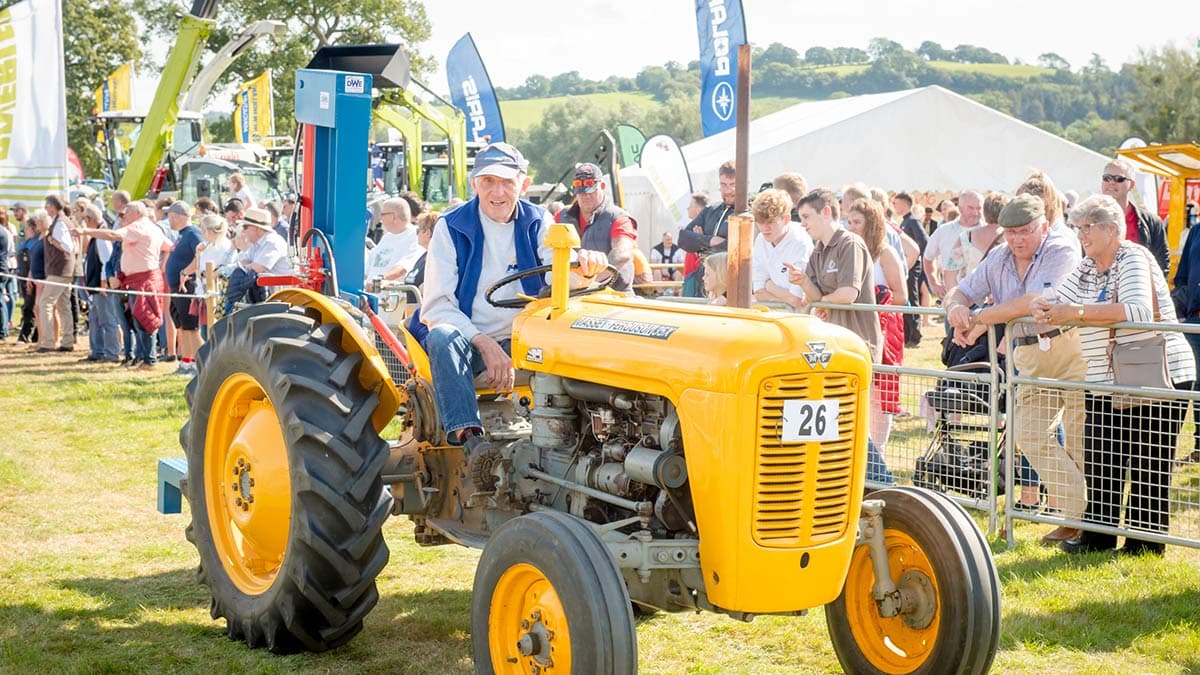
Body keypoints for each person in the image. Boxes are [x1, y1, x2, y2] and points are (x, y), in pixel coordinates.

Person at [419, 142, 607, 475]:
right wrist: (485, 343)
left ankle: (585, 439)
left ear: (523, 183)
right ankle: (471, 440)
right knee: (442, 337)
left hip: (526, 340)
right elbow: (438, 306)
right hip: (470, 343)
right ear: (474, 184)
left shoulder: (539, 220)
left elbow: (558, 271)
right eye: (488, 181)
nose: (497, 191)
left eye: (507, 182)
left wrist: (586, 267)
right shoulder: (451, 227)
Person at [1032, 194, 1195, 556]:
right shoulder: (1088, 265)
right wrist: (1043, 307)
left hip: (1157, 374)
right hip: (1105, 378)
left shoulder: (1133, 257)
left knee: (1148, 461)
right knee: (1102, 456)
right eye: (1078, 227)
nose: (1082, 235)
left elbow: (1136, 310)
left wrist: (1071, 313)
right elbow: (1060, 299)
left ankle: (1144, 546)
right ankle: (1096, 538)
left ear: (1112, 230)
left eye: (1089, 227)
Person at [945, 194, 1086, 545]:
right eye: (1010, 233)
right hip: (1027, 355)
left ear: (1043, 226)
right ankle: (1080, 513)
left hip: (1071, 347)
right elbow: (962, 290)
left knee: (1082, 438)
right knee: (1028, 433)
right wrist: (955, 310)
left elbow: (1035, 301)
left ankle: (1080, 521)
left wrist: (979, 318)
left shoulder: (1061, 249)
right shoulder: (998, 256)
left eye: (1025, 231)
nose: (1017, 239)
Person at [787, 188, 892, 484]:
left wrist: (821, 301)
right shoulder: (817, 251)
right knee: (837, 420)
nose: (803, 223)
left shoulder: (850, 244)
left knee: (848, 420)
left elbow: (847, 294)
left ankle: (882, 481)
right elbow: (818, 298)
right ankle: (855, 481)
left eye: (806, 216)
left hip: (856, 343)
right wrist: (804, 281)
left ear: (826, 213)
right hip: (832, 346)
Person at [846, 197, 908, 458]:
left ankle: (878, 451)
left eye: (856, 222)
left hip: (882, 329)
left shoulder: (885, 254)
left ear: (870, 224)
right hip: (853, 328)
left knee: (878, 392)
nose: (851, 227)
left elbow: (902, 295)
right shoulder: (848, 251)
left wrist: (875, 296)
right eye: (848, 221)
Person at [77, 202, 173, 370]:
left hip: (144, 280)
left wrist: (85, 231)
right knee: (140, 319)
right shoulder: (153, 228)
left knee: (144, 318)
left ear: (136, 213)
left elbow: (114, 235)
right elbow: (169, 247)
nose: (124, 217)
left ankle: (149, 360)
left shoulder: (137, 227)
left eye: (126, 213)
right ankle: (145, 358)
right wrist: (162, 265)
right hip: (143, 278)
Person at [556, 162, 637, 293]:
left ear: (603, 186)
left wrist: (588, 283)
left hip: (615, 295)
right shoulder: (561, 217)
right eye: (581, 193)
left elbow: (622, 254)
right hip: (573, 294)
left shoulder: (620, 218)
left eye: (591, 191)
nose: (586, 196)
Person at [1100, 157, 1169, 273]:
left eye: (1119, 179)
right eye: (1107, 178)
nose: (1111, 182)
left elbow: (1162, 264)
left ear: (1131, 185)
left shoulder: (1151, 222)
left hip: (1138, 289)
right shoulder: (1089, 219)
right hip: (1099, 289)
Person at [679, 162, 735, 297]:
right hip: (702, 281)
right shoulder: (711, 210)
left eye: (733, 185)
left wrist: (700, 245)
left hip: (729, 287)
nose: (728, 190)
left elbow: (736, 248)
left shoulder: (746, 214)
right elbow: (683, 239)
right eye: (723, 185)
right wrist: (710, 240)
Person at [750, 188, 812, 310]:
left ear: (786, 218)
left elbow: (796, 299)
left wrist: (769, 286)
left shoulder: (800, 241)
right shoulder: (760, 239)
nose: (765, 228)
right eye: (760, 222)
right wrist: (783, 299)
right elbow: (758, 291)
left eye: (771, 222)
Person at [222, 207, 291, 313]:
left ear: (257, 229)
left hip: (280, 300)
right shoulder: (257, 244)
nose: (243, 231)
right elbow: (245, 261)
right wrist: (244, 267)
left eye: (245, 227)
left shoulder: (273, 242)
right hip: (266, 298)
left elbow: (258, 267)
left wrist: (243, 268)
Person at [163, 201, 204, 375]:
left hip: (187, 285)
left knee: (192, 328)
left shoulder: (193, 233)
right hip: (177, 286)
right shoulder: (182, 234)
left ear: (179, 216)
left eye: (171, 216)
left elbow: (201, 253)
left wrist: (187, 273)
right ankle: (187, 362)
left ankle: (201, 362)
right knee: (184, 327)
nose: (169, 220)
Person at [79, 204, 121, 363]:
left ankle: (111, 353)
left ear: (88, 219)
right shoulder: (98, 236)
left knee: (107, 320)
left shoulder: (102, 237)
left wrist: (104, 283)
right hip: (95, 285)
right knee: (96, 319)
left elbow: (106, 261)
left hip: (101, 286)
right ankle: (97, 351)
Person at [924, 191, 981, 303]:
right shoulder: (943, 231)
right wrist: (934, 283)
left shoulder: (988, 231)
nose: (975, 213)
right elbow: (928, 258)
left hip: (982, 301)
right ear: (960, 208)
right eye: (971, 208)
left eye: (979, 208)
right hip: (953, 299)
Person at [36, 196, 76, 353]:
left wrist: (52, 240)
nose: (46, 209)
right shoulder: (64, 221)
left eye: (47, 206)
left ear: (52, 207)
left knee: (45, 303)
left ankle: (47, 342)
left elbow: (67, 246)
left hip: (59, 269)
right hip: (65, 269)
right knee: (63, 305)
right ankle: (67, 341)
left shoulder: (59, 223)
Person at [366, 197, 422, 283]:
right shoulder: (387, 237)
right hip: (372, 294)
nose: (381, 219)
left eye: (382, 215)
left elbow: (403, 268)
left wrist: (380, 280)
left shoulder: (416, 236)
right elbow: (369, 265)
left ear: (393, 217)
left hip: (391, 294)